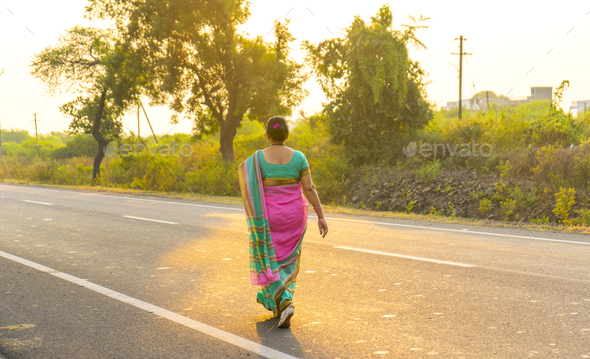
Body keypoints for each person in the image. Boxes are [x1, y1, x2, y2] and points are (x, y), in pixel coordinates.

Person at [238, 116, 328, 328]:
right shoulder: (299, 158)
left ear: (267, 136)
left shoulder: (257, 159)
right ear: (287, 134)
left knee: (269, 259)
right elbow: (309, 188)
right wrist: (320, 215)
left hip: (267, 218)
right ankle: (275, 299)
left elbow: (249, 188)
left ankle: (284, 301)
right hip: (294, 218)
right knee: (287, 259)